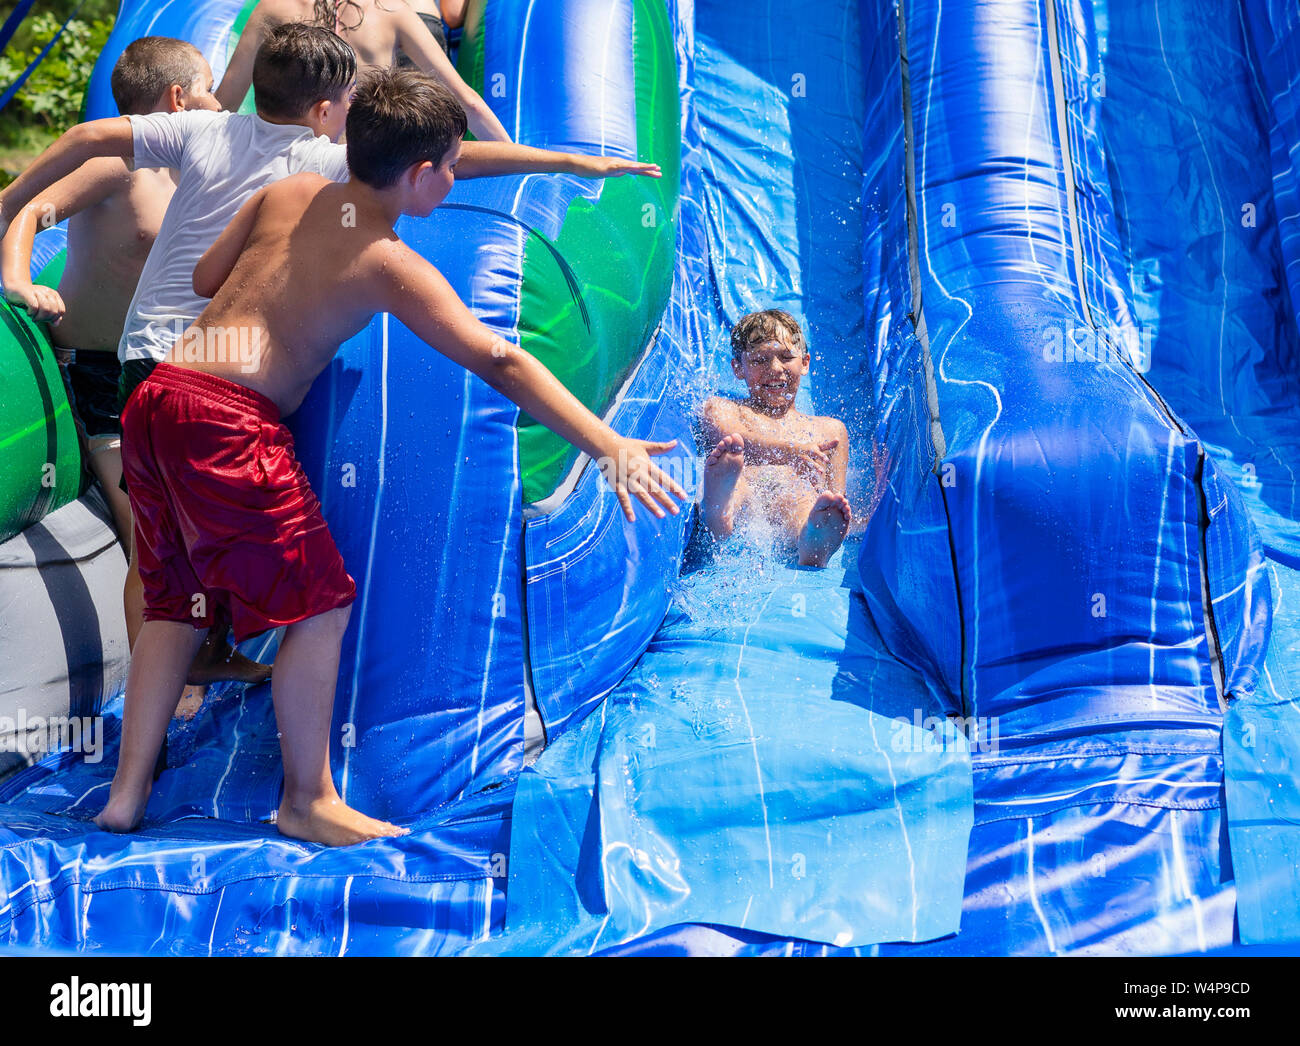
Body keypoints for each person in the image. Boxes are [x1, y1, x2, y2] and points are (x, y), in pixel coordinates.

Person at [96, 68, 687, 846]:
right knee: (319, 600)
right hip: (228, 421)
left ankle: (123, 798)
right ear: (419, 174)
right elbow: (499, 360)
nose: (452, 177)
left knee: (176, 601)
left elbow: (208, 278)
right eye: (449, 165)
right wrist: (605, 441)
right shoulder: (385, 261)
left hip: (160, 398)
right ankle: (308, 797)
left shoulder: (285, 195)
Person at [0, 36, 269, 709]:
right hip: (97, 371)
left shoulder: (200, 164)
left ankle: (209, 648)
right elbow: (32, 209)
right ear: (178, 99)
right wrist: (17, 282)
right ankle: (167, 690)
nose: (221, 100)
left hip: (163, 368)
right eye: (209, 87)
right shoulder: (121, 163)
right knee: (144, 522)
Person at [214, 0, 509, 143]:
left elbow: (224, 104)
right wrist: (522, 165)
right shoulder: (392, 12)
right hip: (361, 165)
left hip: (289, 163)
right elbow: (466, 101)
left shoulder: (273, 8)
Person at [697, 309, 853, 567]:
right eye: (759, 360)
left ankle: (815, 540)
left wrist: (831, 507)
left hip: (792, 502)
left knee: (799, 498)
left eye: (786, 357)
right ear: (738, 368)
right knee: (737, 481)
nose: (775, 369)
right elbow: (732, 438)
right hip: (745, 496)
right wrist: (791, 451)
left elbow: (837, 497)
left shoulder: (829, 430)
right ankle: (719, 510)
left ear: (804, 363)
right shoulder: (725, 408)